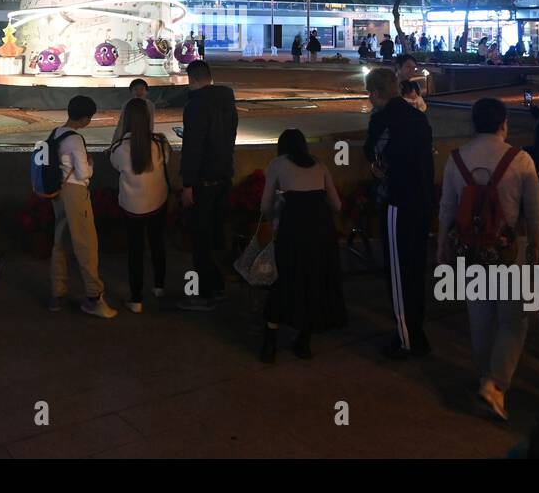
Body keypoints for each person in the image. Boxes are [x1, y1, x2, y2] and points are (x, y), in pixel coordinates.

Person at [437, 98, 539, 421]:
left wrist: (441, 247)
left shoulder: (456, 159)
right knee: (513, 319)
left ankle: (485, 373)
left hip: (470, 251)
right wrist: (535, 247)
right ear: (503, 123)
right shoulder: (520, 160)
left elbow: (447, 209)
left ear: (473, 124)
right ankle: (496, 383)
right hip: (508, 251)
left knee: (480, 316)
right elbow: (535, 212)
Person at [363, 67, 435, 358]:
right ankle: (415, 329)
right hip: (421, 201)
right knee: (415, 268)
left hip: (397, 201)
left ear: (375, 93)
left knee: (397, 271)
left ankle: (408, 338)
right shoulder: (417, 117)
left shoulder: (383, 119)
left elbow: (373, 152)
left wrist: (378, 168)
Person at [258, 129, 346, 362]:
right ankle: (304, 342)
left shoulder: (277, 164)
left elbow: (265, 205)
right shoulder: (320, 165)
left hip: (292, 233)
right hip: (321, 233)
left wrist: (274, 219)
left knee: (283, 282)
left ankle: (270, 344)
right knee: (313, 282)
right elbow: (337, 205)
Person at [48, 96, 116, 318]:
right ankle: (94, 297)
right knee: (86, 243)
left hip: (58, 193)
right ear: (85, 118)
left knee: (60, 242)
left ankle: (57, 294)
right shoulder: (75, 139)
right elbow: (83, 173)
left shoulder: (56, 133)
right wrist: (91, 165)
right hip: (75, 193)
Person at [178, 61, 239, 311]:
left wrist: (187, 184)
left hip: (203, 182)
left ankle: (204, 295)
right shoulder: (227, 101)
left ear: (191, 79)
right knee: (215, 237)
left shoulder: (195, 106)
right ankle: (217, 287)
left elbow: (193, 149)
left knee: (200, 240)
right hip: (223, 177)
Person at [108, 98, 170, 314]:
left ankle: (136, 299)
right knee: (157, 243)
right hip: (158, 201)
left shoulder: (119, 148)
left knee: (135, 250)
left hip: (132, 206)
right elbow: (166, 162)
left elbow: (116, 165)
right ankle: (159, 286)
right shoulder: (160, 143)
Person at [111, 78, 157, 143]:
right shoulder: (127, 104)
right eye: (135, 89)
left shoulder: (149, 105)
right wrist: (115, 142)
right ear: (131, 91)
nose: (139, 92)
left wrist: (149, 138)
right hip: (129, 137)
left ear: (146, 91)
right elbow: (121, 124)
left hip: (144, 137)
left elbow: (150, 124)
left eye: (142, 89)